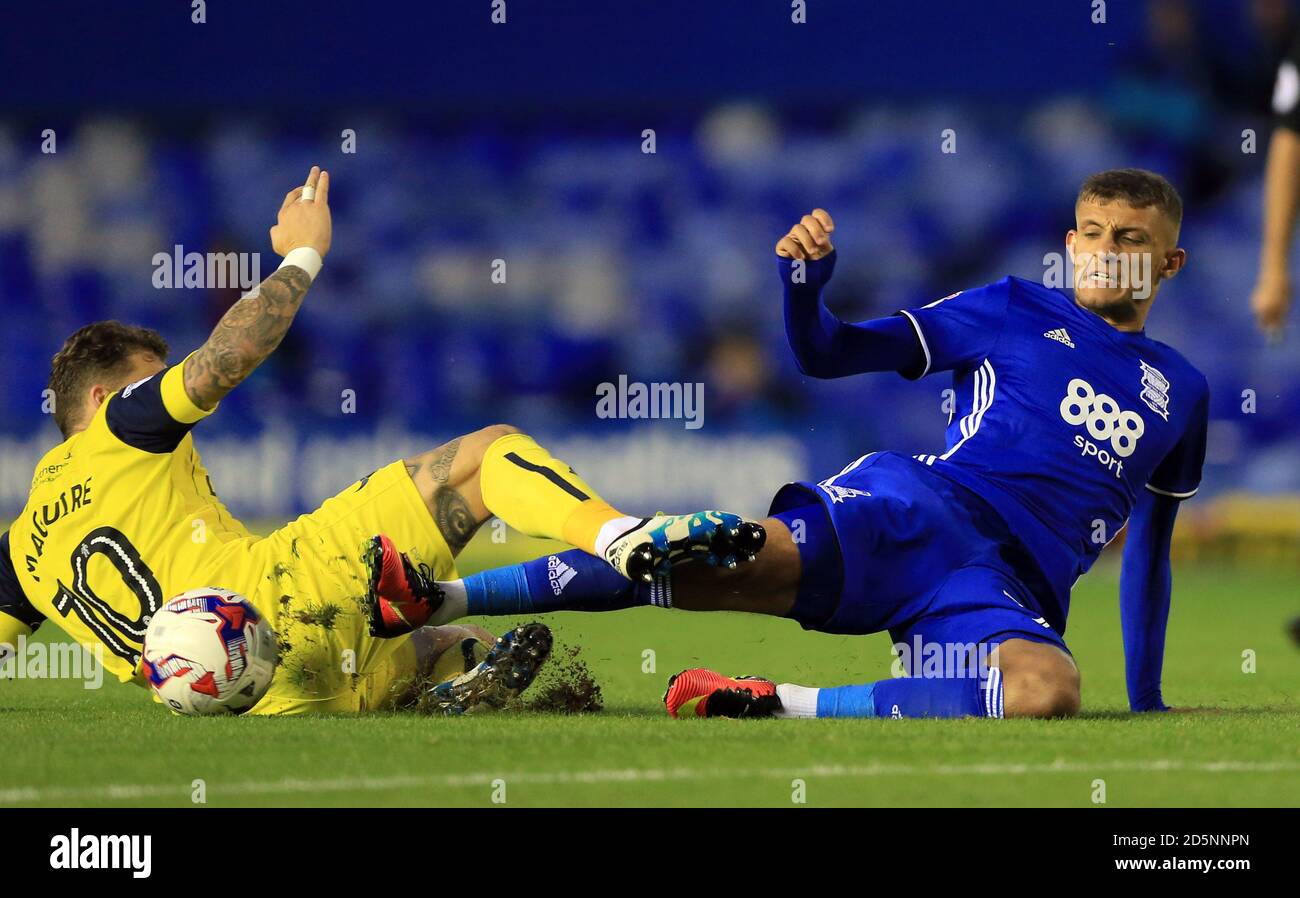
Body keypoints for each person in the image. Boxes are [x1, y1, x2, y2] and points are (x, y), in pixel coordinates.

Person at [420, 169, 1209, 721]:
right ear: (1071, 242)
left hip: (1001, 590)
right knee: (710, 558)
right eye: (1094, 234)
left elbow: (1150, 550)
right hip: (917, 512)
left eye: (1131, 239)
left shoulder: (1185, 391)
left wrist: (1147, 700)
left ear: (1169, 262)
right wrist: (804, 290)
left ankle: (771, 702)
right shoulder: (1012, 309)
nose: (1106, 251)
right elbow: (828, 354)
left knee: (1045, 691)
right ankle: (441, 600)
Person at [0, 167, 761, 715]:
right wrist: (303, 255)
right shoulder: (120, 428)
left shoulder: (23, 549)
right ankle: (622, 538)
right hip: (280, 599)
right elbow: (227, 357)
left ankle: (441, 685)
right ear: (102, 397)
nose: (163, 394)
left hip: (264, 698)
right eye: (149, 380)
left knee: (453, 639)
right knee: (488, 455)